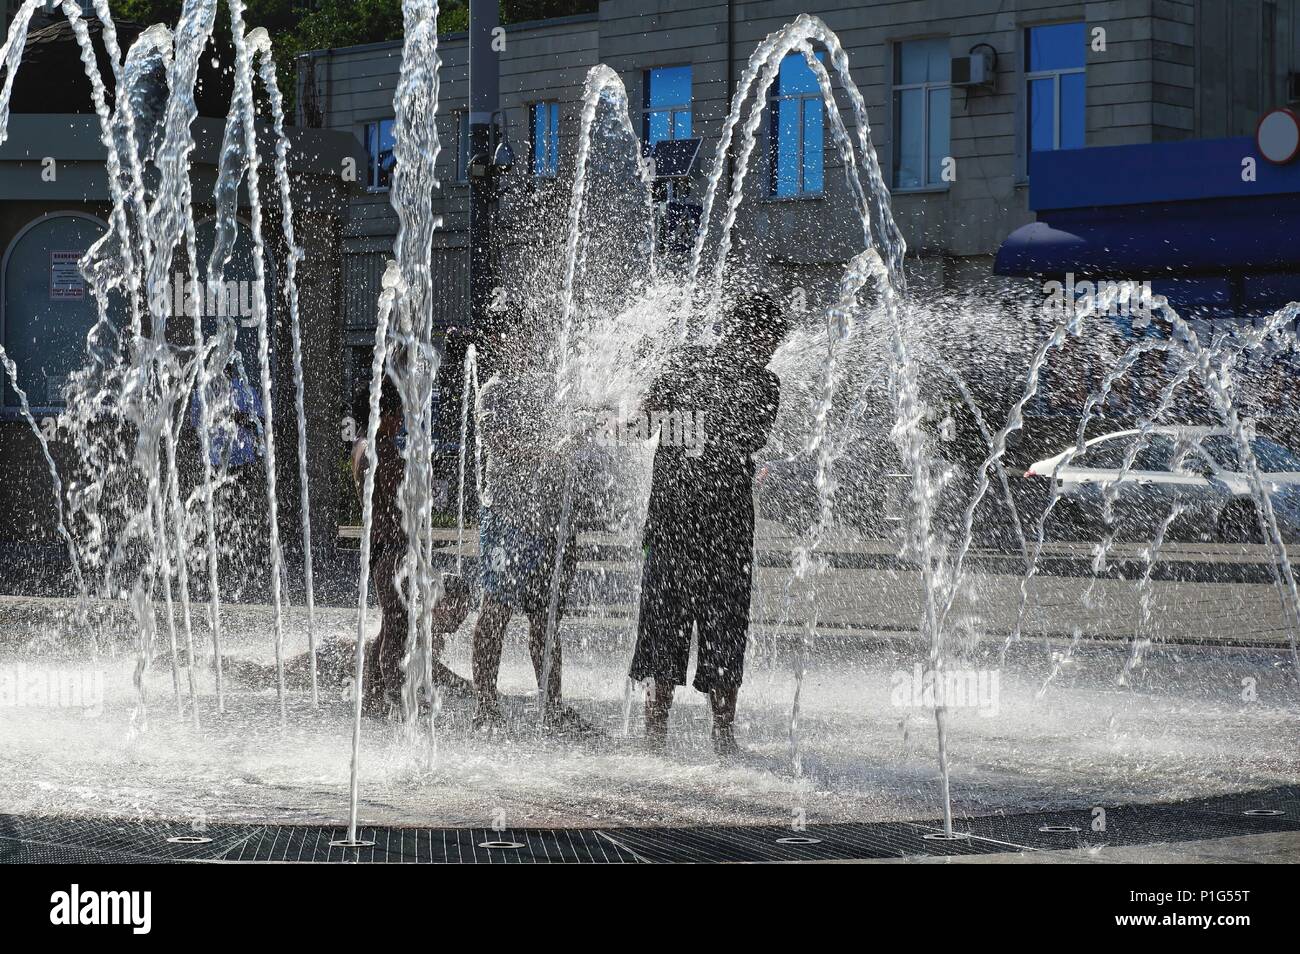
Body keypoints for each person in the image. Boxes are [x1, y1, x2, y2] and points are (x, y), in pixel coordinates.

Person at [629, 291, 788, 755]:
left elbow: (642, 426)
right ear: (754, 334)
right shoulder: (761, 383)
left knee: (663, 625)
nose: (771, 349)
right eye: (770, 340)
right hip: (723, 527)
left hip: (673, 521)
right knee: (724, 627)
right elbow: (746, 440)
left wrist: (644, 404)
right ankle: (723, 738)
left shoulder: (682, 364)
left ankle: (655, 739)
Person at [469, 348, 589, 734]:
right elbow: (500, 443)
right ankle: (485, 704)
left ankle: (552, 708)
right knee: (496, 611)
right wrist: (551, 450)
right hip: (507, 519)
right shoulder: (493, 392)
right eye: (511, 339)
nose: (521, 347)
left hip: (548, 524)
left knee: (545, 619)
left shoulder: (548, 390)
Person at [351, 372, 472, 715]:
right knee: (397, 624)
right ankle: (396, 694)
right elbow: (406, 497)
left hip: (384, 549)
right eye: (399, 412)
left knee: (391, 623)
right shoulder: (382, 452)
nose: (403, 419)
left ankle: (373, 698)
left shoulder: (362, 446)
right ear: (385, 414)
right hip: (393, 551)